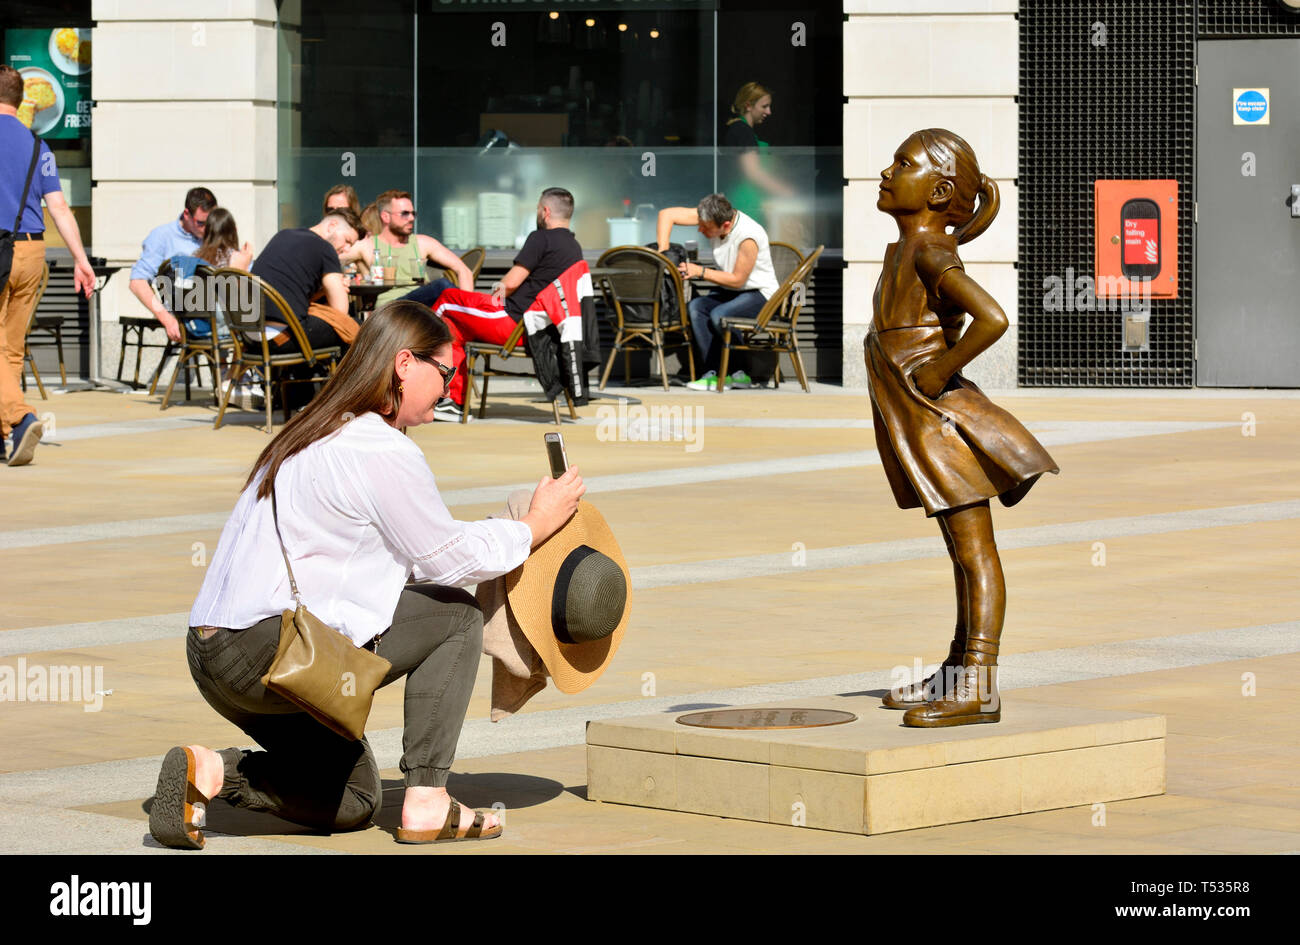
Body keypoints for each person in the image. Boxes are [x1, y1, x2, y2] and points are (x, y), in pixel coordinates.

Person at [148, 300, 586, 848]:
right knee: (455, 616)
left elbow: (404, 550)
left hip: (213, 654)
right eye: (445, 371)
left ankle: (210, 770)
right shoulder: (379, 446)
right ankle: (428, 800)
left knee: (356, 800)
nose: (450, 387)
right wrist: (535, 525)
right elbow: (446, 559)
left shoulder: (308, 429)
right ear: (405, 364)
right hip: (272, 652)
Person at [870, 129, 1058, 727]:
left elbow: (992, 318)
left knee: (974, 550)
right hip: (915, 415)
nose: (886, 171)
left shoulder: (930, 253)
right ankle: (957, 672)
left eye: (903, 163)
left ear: (940, 190)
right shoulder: (903, 250)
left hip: (938, 418)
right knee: (960, 549)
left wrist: (939, 372)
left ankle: (977, 680)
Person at [427, 187, 594, 422]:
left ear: (545, 211)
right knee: (453, 328)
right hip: (542, 332)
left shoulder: (541, 238)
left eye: (537, 208)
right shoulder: (575, 248)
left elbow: (511, 283)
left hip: (512, 322)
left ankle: (422, 375)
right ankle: (451, 402)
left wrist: (496, 289)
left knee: (446, 300)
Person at [0, 65, 94, 467]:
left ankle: (21, 418)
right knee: (10, 348)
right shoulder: (39, 146)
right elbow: (58, 208)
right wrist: (80, 258)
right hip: (32, 253)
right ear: (20, 100)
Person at [656, 193, 778, 390]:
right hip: (730, 289)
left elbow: (738, 280)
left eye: (705, 228)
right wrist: (664, 253)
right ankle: (712, 373)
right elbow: (666, 215)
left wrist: (700, 272)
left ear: (726, 225)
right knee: (696, 307)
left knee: (719, 315)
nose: (699, 229)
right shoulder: (710, 216)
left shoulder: (749, 236)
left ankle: (740, 374)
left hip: (760, 293)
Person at [344, 190, 473, 306]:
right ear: (385, 217)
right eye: (404, 214)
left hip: (425, 306)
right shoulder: (368, 245)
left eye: (413, 213)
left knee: (443, 289)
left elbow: (463, 270)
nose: (411, 218)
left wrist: (468, 309)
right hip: (392, 309)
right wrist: (341, 278)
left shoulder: (423, 242)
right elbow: (332, 258)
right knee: (442, 286)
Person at [128, 186, 217, 343]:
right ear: (187, 214)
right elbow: (138, 282)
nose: (206, 229)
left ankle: (231, 366)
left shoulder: (215, 233)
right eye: (201, 223)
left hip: (218, 308)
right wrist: (166, 318)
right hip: (187, 314)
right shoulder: (162, 237)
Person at [721, 82, 795, 229]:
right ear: (748, 105)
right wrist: (786, 192)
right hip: (747, 202)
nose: (769, 112)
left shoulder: (738, 129)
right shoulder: (743, 132)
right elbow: (753, 172)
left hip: (749, 199)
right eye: (764, 106)